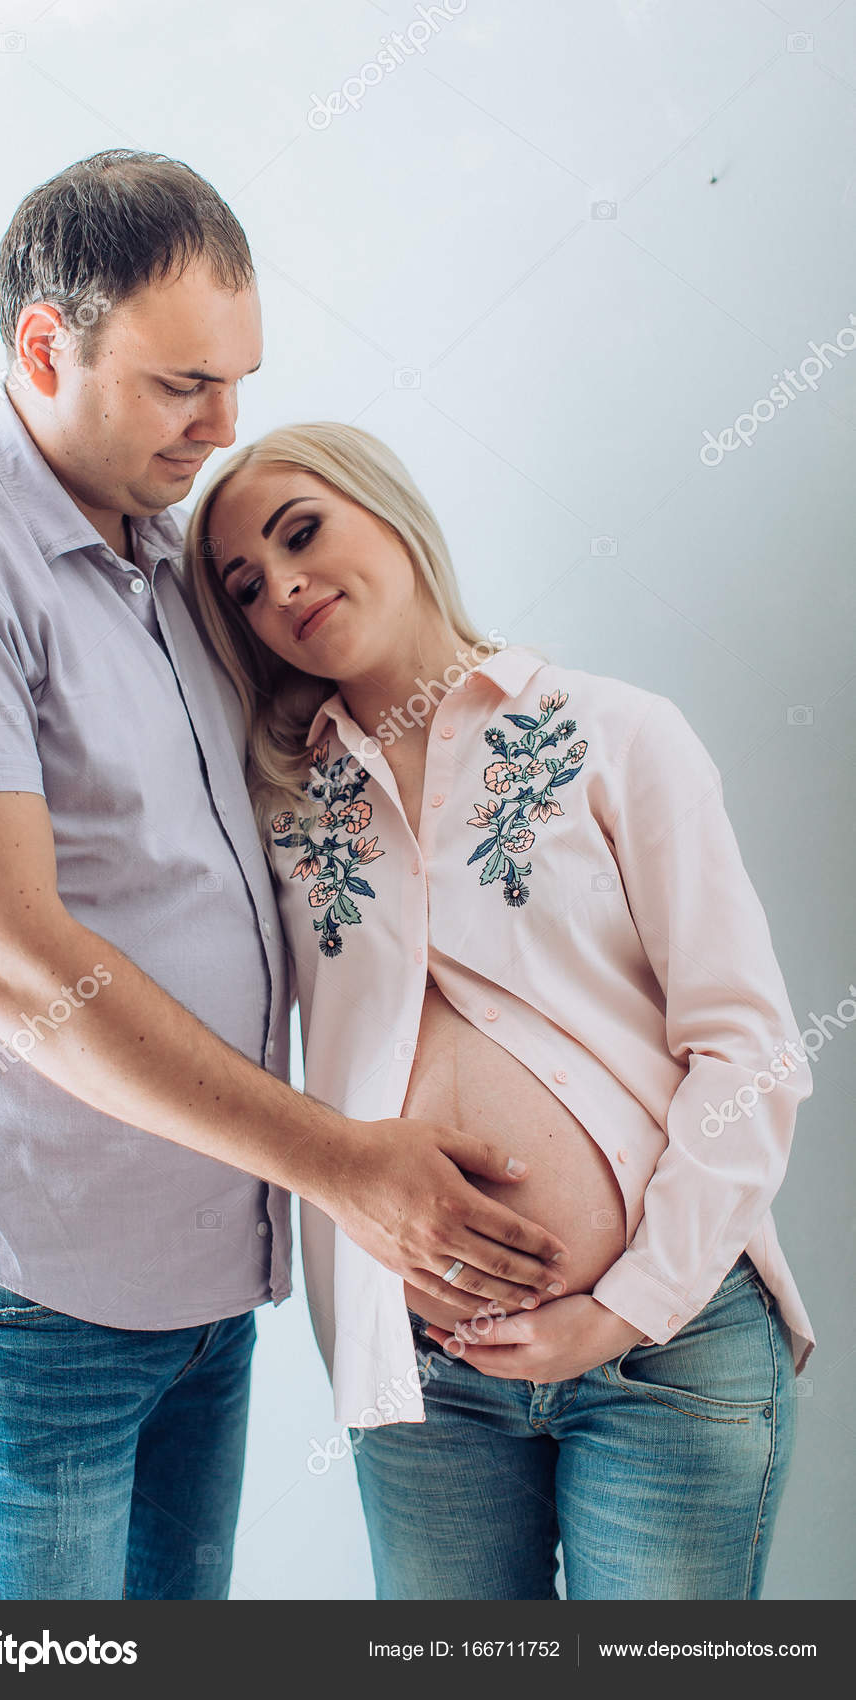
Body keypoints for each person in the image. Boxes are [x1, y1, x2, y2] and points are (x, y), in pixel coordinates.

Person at [0, 153, 568, 1601]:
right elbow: (16, 964)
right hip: (19, 1292)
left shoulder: (173, 559)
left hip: (204, 1289)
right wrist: (343, 1167)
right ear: (43, 346)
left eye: (238, 380)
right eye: (179, 385)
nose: (221, 427)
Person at [184, 420, 816, 1600]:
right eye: (245, 586)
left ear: (388, 509)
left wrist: (619, 1309)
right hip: (425, 1380)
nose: (283, 586)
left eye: (301, 532)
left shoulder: (614, 732)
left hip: (666, 1353)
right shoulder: (277, 809)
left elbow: (745, 1050)